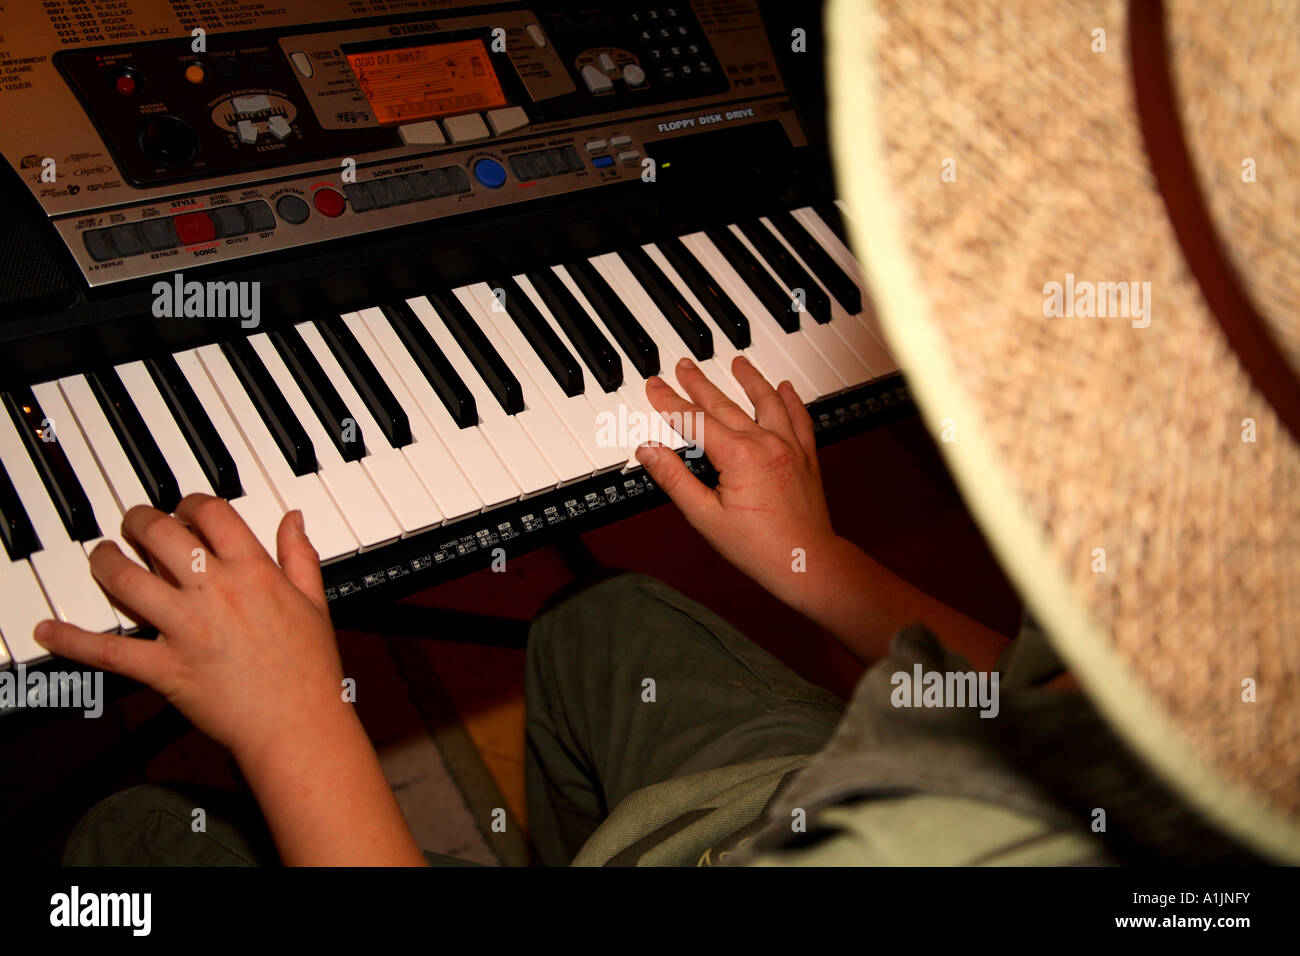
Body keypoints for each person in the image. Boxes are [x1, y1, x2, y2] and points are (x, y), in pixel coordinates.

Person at [43, 356, 1256, 866]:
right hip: (821, 797)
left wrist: (295, 726)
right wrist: (815, 561)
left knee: (134, 834)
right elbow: (1053, 711)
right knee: (602, 621)